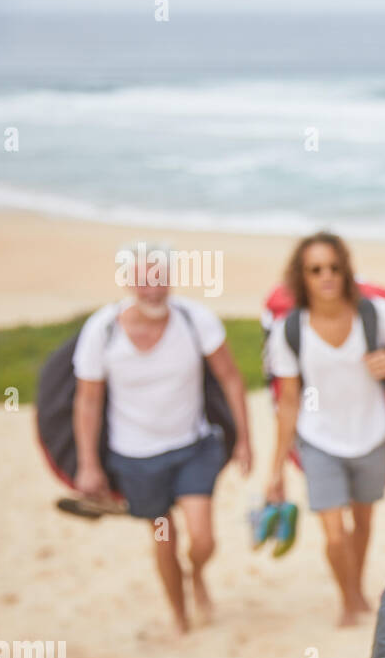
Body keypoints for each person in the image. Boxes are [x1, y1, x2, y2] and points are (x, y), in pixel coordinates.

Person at [72, 242, 252, 634]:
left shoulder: (195, 320)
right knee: (164, 537)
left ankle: (198, 574)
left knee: (203, 538)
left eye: (160, 278)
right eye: (143, 280)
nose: (153, 288)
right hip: (135, 460)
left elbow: (231, 377)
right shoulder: (101, 332)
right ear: (128, 282)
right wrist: (88, 464)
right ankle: (180, 616)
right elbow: (87, 401)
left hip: (193, 448)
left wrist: (244, 439)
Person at [265, 232, 385, 627]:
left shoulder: (376, 313)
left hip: (372, 434)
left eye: (333, 267)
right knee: (334, 536)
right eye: (315, 270)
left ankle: (358, 590)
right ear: (302, 277)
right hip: (318, 440)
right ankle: (348, 598)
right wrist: (276, 468)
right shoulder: (289, 330)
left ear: (345, 269)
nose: (326, 276)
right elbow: (289, 400)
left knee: (364, 523)